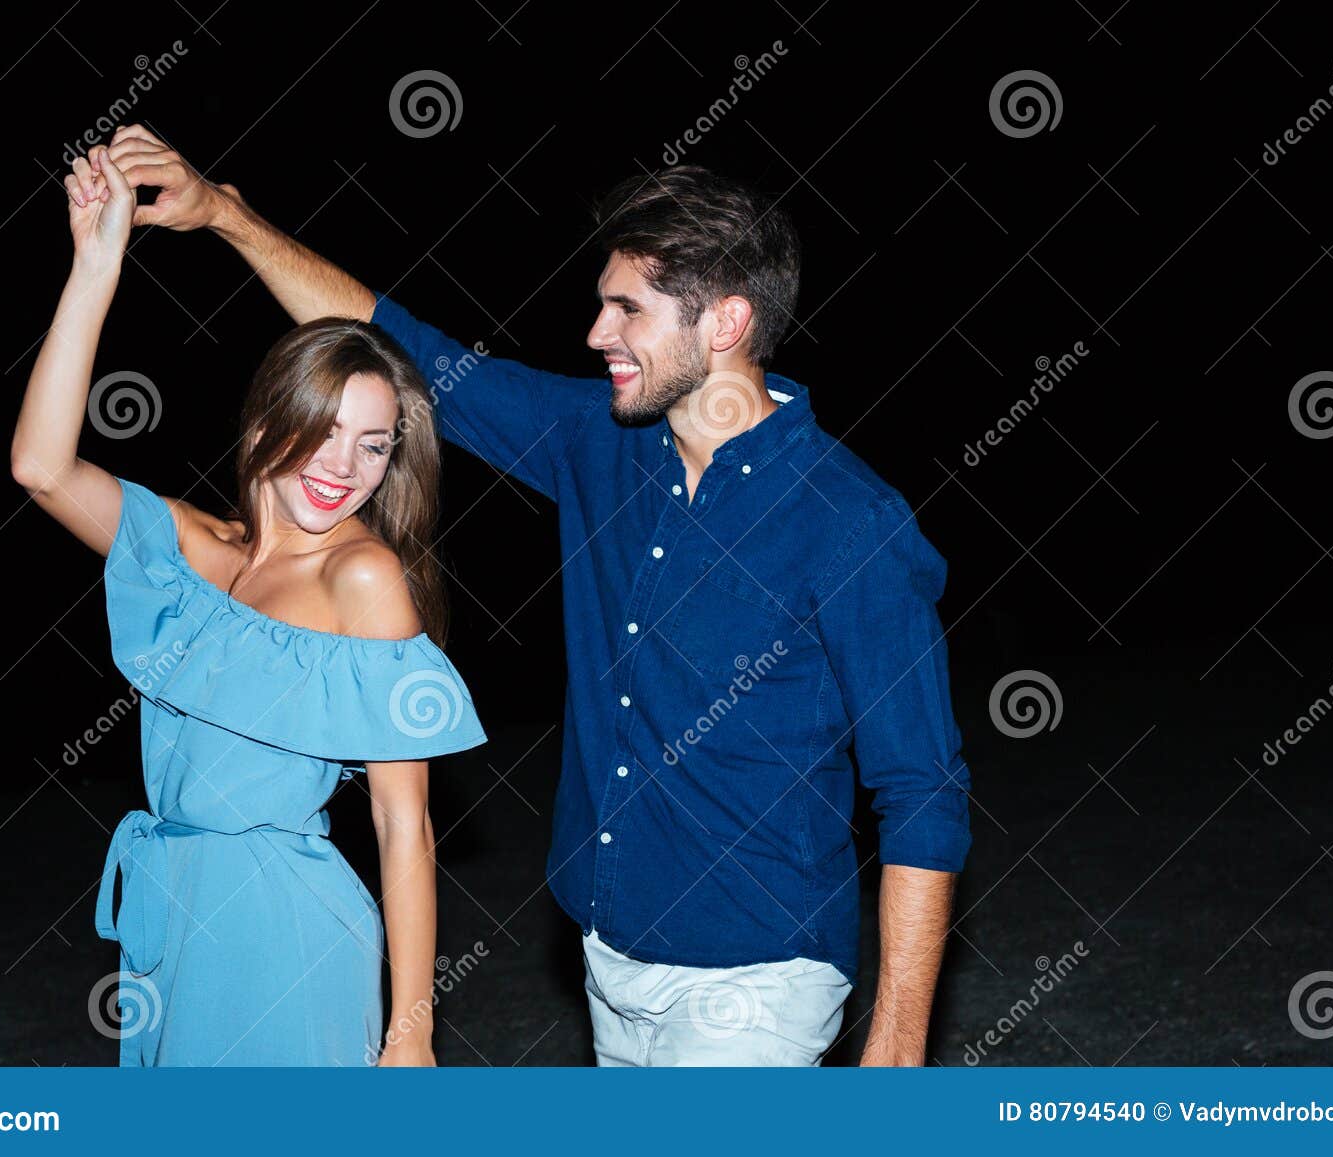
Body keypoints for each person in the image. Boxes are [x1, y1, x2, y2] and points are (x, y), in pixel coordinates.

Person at [103, 124, 973, 1067]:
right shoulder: (597, 443)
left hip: (756, 980)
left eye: (626, 310)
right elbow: (410, 352)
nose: (597, 333)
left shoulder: (852, 523)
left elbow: (920, 789)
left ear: (723, 324)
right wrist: (226, 217)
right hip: (609, 960)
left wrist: (895, 1052)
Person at [10, 148, 486, 1066]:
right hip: (168, 915)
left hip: (288, 935)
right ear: (271, 419)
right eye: (327, 429)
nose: (345, 467)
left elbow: (402, 822)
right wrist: (98, 264)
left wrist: (412, 1035)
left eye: (376, 446)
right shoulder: (194, 547)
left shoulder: (364, 579)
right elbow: (40, 467)